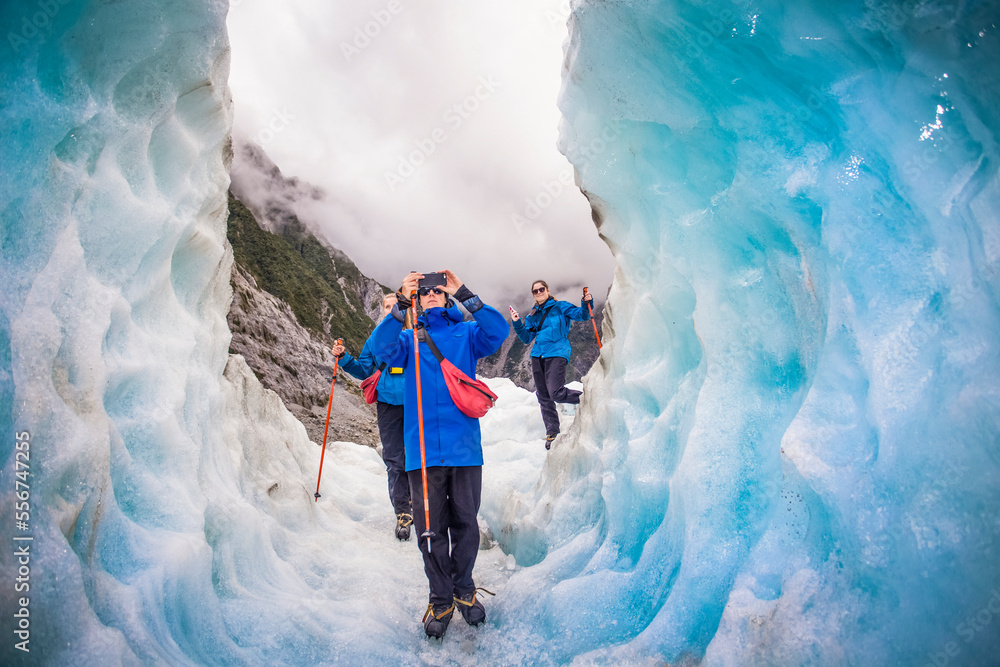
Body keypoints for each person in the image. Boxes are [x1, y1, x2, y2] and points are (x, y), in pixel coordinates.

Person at [371, 270, 508, 639]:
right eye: (425, 291)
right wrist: (401, 300)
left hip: (463, 448)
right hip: (423, 452)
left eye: (438, 290)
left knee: (466, 523)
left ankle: (464, 589)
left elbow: (498, 332)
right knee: (430, 530)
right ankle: (441, 597)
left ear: (447, 298)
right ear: (418, 300)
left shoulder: (466, 333)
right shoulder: (407, 339)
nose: (431, 294)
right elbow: (378, 349)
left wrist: (462, 290)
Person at [332, 293, 412, 541]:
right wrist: (344, 359)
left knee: (420, 455)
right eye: (387, 307)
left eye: (395, 307)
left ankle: (423, 504)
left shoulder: (415, 336)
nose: (390, 310)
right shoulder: (375, 340)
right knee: (395, 459)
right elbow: (364, 369)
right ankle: (403, 512)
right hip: (389, 404)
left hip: (416, 402)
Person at [510, 280, 593, 449]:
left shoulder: (561, 307)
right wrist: (517, 322)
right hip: (537, 355)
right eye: (535, 291)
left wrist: (586, 303)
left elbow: (582, 315)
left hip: (557, 352)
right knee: (543, 396)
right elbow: (526, 338)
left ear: (547, 290)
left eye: (541, 289)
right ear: (533, 294)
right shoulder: (532, 315)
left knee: (555, 392)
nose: (539, 292)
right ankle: (552, 432)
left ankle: (589, 397)